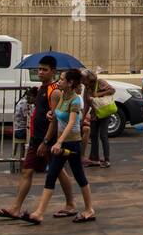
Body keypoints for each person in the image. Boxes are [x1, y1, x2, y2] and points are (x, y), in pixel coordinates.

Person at [0, 57, 79, 222]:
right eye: (39, 69)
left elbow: (54, 119)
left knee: (59, 172)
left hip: (47, 140)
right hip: (36, 138)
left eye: (44, 70)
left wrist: (46, 141)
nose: (40, 72)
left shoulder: (54, 91)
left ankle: (71, 204)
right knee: (27, 171)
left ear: (53, 72)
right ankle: (16, 208)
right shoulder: (42, 88)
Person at [27, 70, 96, 224]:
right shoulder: (61, 96)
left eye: (62, 79)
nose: (59, 81)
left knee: (79, 176)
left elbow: (72, 122)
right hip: (62, 141)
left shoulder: (75, 100)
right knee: (51, 174)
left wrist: (59, 142)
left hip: (72, 143)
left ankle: (89, 209)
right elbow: (57, 115)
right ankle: (39, 212)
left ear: (70, 83)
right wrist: (50, 115)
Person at [86, 71, 115, 167]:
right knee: (93, 136)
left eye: (84, 79)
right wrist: (83, 117)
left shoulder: (100, 82)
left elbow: (112, 90)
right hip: (94, 113)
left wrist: (98, 94)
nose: (82, 81)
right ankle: (94, 159)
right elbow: (86, 104)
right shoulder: (87, 88)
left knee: (103, 135)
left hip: (104, 112)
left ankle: (107, 160)